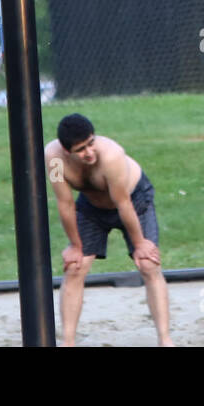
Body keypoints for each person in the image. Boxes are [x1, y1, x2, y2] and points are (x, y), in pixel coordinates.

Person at [44, 114, 173, 346]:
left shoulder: (112, 155)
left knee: (148, 264)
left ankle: (165, 339)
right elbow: (64, 203)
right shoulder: (53, 159)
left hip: (133, 201)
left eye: (91, 143)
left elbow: (124, 204)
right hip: (91, 206)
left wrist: (140, 244)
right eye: (81, 149)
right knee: (75, 267)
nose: (89, 152)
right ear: (66, 150)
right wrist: (75, 246)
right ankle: (68, 342)